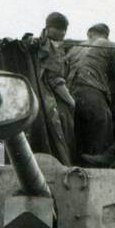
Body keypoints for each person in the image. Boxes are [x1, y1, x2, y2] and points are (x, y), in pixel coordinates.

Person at [66, 21, 115, 159]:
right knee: (102, 139)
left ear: (89, 33)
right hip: (91, 94)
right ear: (107, 35)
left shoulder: (74, 48)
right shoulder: (111, 46)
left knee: (76, 142)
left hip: (68, 96)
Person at [32, 12, 75, 162]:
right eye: (59, 29)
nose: (62, 33)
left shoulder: (40, 43)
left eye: (64, 29)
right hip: (50, 98)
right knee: (63, 126)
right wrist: (71, 100)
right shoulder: (52, 48)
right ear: (48, 28)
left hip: (36, 96)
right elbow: (54, 79)